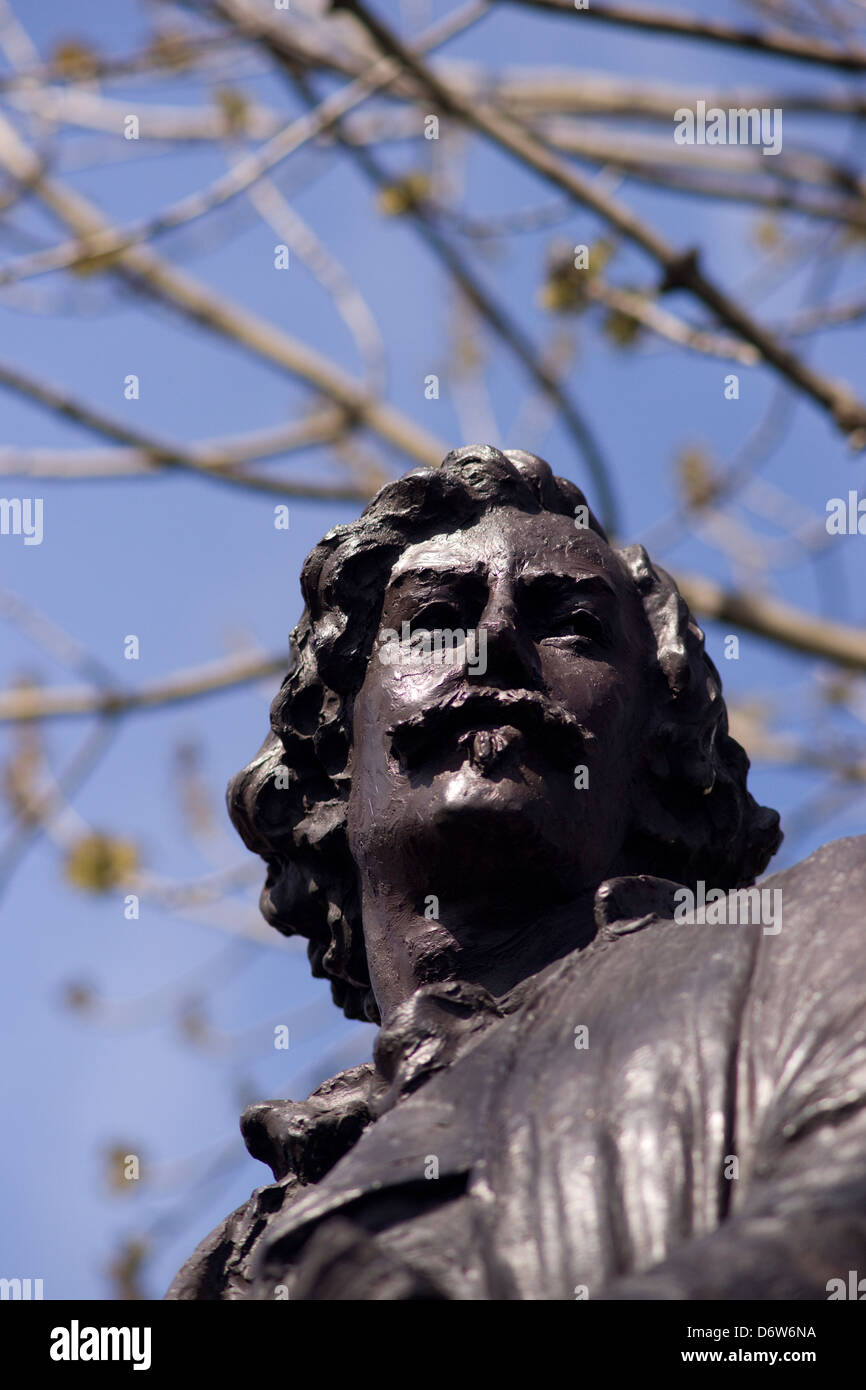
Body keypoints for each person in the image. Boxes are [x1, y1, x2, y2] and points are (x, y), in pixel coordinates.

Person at [167, 445, 866, 1301]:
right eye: (432, 622)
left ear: (658, 755)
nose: (495, 644)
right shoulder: (229, 1263)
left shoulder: (819, 931)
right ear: (335, 752)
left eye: (571, 624)